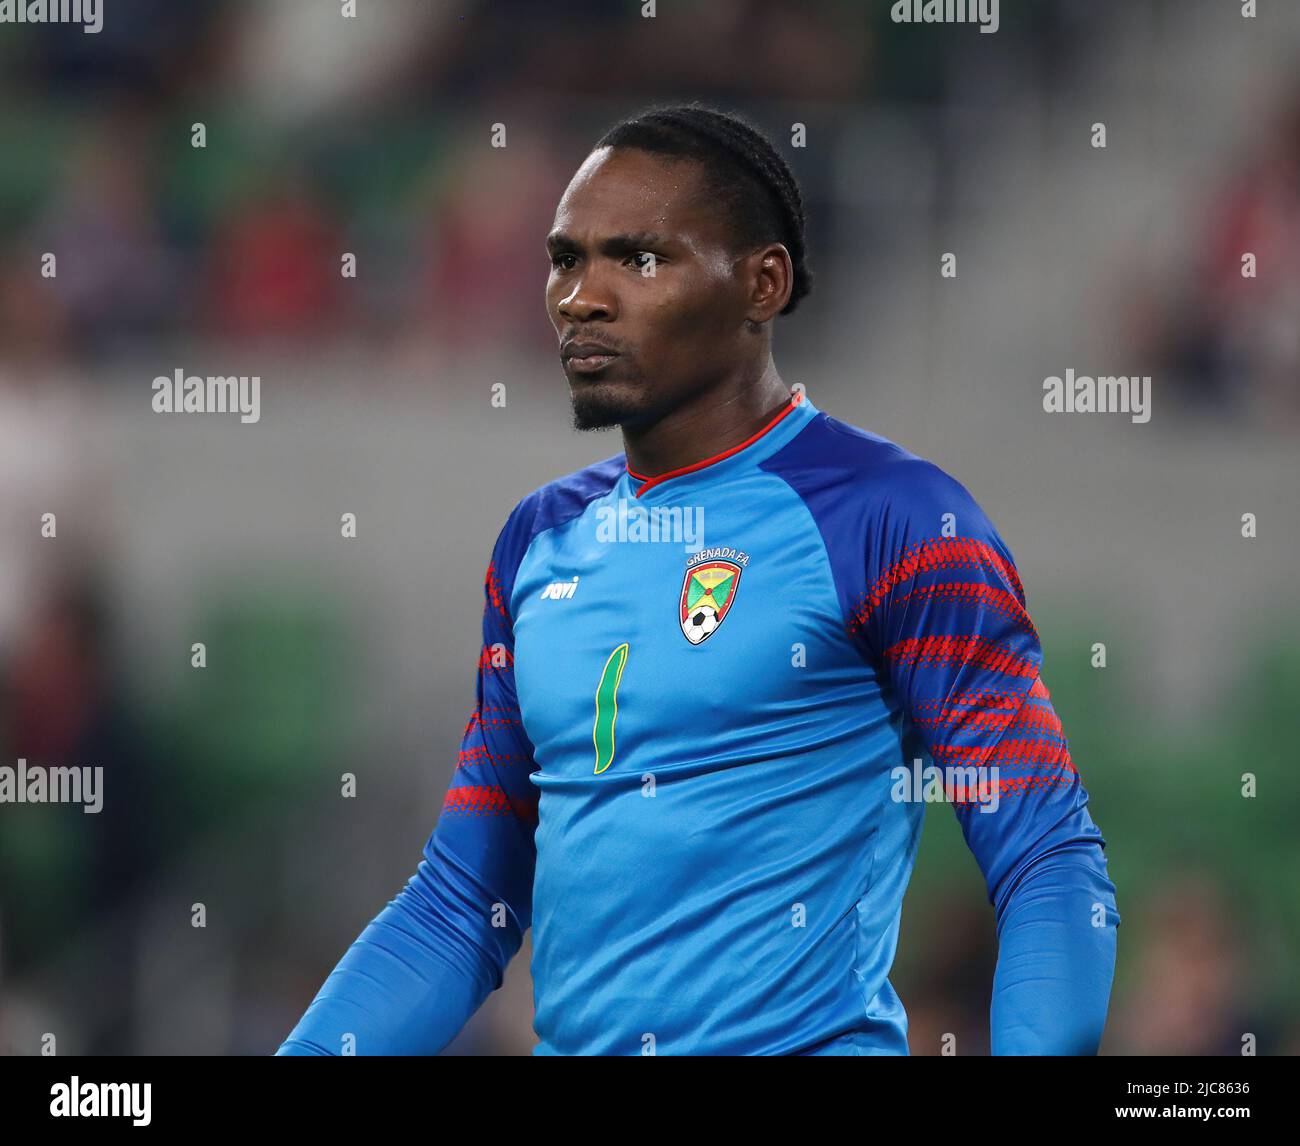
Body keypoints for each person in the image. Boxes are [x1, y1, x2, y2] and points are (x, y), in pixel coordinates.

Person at [278, 102, 1118, 1056]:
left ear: (763, 284)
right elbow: (460, 904)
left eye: (638, 259)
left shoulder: (891, 519)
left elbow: (1046, 858)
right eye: (565, 258)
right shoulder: (539, 540)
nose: (581, 297)